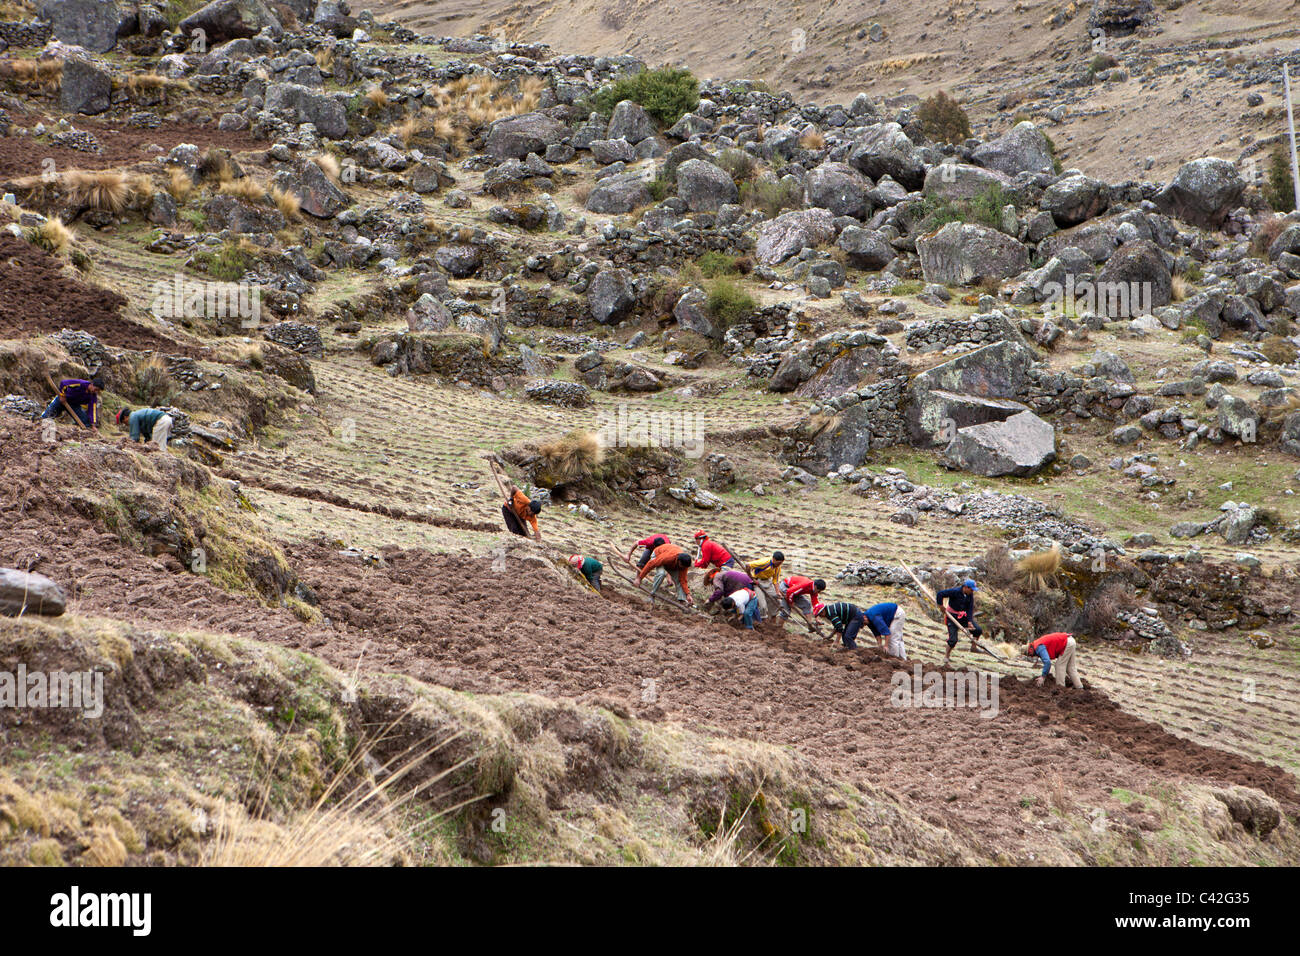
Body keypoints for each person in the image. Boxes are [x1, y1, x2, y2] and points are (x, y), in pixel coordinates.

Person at [937, 578, 982, 664]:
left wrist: (969, 621)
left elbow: (970, 608)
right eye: (971, 590)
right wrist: (941, 605)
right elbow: (940, 594)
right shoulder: (955, 591)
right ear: (966, 587)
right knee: (953, 639)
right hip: (952, 617)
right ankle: (946, 656)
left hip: (962, 617)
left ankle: (973, 647)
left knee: (978, 630)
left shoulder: (970, 595)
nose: (972, 592)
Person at [636, 541, 693, 605]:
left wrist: (688, 594)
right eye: (682, 566)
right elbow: (650, 564)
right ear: (679, 561)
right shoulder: (668, 557)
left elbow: (683, 580)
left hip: (671, 563)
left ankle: (682, 600)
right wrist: (639, 578)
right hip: (658, 554)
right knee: (661, 574)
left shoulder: (684, 565)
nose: (683, 568)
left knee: (679, 580)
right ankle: (652, 594)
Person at [745, 551, 784, 615]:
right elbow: (748, 565)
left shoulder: (778, 567)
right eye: (778, 563)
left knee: (776, 599)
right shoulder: (765, 562)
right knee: (762, 606)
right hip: (758, 582)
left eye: (781, 563)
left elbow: (775, 580)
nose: (779, 565)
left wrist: (778, 592)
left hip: (768, 582)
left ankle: (772, 615)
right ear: (773, 559)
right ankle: (763, 619)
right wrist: (751, 577)